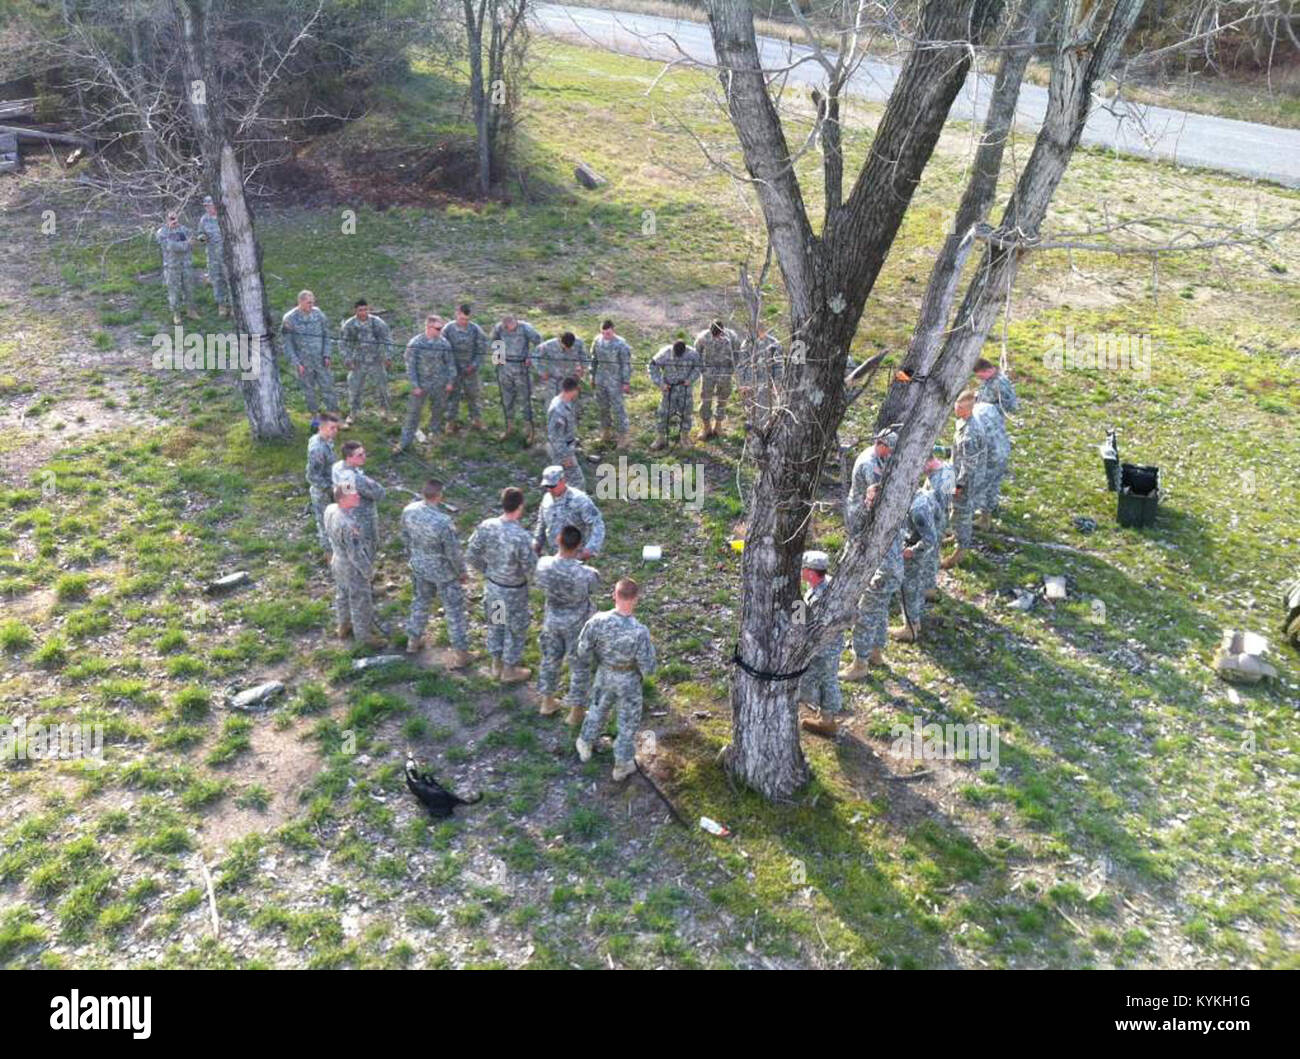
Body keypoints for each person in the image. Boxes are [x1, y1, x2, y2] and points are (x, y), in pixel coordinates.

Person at [569, 578, 656, 782]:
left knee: (598, 708)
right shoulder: (640, 632)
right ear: (635, 599)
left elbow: (582, 650)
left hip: (604, 674)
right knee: (627, 721)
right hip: (629, 680)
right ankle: (622, 765)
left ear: (614, 595)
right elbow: (649, 668)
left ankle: (585, 743)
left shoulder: (597, 621)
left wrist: (597, 662)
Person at [466, 486, 538, 683]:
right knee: (515, 630)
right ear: (520, 507)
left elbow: (472, 554)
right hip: (514, 591)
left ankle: (495, 663)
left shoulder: (486, 526)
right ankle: (509, 669)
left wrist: (487, 570)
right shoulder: (521, 537)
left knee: (497, 623)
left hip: (493, 586)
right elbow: (531, 568)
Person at [400, 478, 470, 667]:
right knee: (454, 611)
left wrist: (414, 556)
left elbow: (405, 537)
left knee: (420, 602)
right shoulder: (443, 522)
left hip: (419, 565)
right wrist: (461, 572)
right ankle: (461, 654)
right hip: (443, 571)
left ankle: (413, 641)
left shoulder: (408, 511)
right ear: (440, 496)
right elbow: (453, 553)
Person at [840, 485, 907, 679]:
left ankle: (860, 663)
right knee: (880, 613)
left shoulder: (881, 525)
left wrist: (873, 582)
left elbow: (885, 558)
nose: (866, 503)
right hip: (893, 575)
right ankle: (876, 653)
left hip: (882, 577)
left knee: (864, 619)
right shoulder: (893, 516)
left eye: (870, 501)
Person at [535, 525, 601, 718]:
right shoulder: (588, 573)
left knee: (550, 659)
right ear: (579, 545)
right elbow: (594, 587)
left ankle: (547, 702)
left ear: (558, 539)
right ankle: (576, 712)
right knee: (580, 665)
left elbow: (539, 582)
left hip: (552, 619)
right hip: (577, 624)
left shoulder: (543, 565)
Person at [324, 483, 384, 648]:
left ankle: (343, 624)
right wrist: (368, 572)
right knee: (360, 601)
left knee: (342, 594)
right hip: (352, 567)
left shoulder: (330, 509)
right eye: (354, 495)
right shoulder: (349, 525)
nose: (358, 497)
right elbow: (356, 554)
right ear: (343, 499)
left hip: (337, 560)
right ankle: (364, 637)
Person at [796, 550, 844, 738]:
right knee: (828, 678)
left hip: (823, 647)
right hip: (830, 642)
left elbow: (802, 621)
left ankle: (827, 721)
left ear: (810, 572)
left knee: (825, 679)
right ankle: (826, 716)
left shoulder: (820, 597)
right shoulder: (826, 584)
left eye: (803, 568)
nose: (801, 571)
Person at [393, 315, 455, 454]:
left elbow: (450, 364)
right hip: (421, 385)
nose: (441, 331)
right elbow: (410, 366)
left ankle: (434, 434)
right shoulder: (416, 343)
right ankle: (405, 441)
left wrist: (450, 381)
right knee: (413, 414)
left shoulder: (444, 343)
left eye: (442, 328)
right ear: (428, 327)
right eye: (438, 328)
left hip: (439, 384)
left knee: (438, 411)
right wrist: (415, 385)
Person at [943, 390, 990, 569]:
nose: (956, 408)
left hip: (967, 480)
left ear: (969, 409)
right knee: (953, 508)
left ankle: (961, 550)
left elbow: (969, 465)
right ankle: (955, 535)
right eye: (956, 404)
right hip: (958, 472)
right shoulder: (963, 422)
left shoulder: (970, 433)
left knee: (961, 514)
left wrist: (959, 485)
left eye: (960, 407)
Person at [282, 290, 337, 416]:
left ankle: (333, 417)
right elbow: (288, 344)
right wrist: (296, 363)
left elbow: (326, 335)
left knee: (328, 387)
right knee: (309, 391)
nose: (311, 305)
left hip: (321, 359)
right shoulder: (289, 318)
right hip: (304, 363)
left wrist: (327, 354)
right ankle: (315, 417)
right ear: (300, 302)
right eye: (308, 303)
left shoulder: (318, 314)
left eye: (313, 302)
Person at [490, 313, 543, 442]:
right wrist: (498, 357)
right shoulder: (499, 328)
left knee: (525, 400)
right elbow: (494, 341)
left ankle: (529, 430)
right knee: (506, 400)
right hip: (505, 368)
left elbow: (539, 343)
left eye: (510, 327)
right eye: (506, 327)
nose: (508, 329)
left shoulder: (526, 328)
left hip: (521, 369)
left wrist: (531, 357)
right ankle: (509, 427)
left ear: (515, 322)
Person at [340, 298, 393, 425]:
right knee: (354, 388)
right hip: (358, 361)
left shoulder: (377, 323)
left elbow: (387, 339)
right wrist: (347, 359)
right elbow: (343, 343)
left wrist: (388, 356)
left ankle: (386, 411)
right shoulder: (350, 325)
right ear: (355, 310)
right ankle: (354, 412)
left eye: (365, 310)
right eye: (360, 310)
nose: (363, 312)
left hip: (376, 359)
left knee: (383, 387)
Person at [534, 465, 605, 558]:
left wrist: (590, 549)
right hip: (553, 558)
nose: (550, 489)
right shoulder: (546, 499)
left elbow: (597, 524)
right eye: (547, 486)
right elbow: (541, 524)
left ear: (563, 480)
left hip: (575, 557)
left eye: (553, 486)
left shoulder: (579, 499)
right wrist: (536, 544)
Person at [647, 339, 702, 451]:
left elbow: (699, 366)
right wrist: (660, 383)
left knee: (686, 413)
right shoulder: (665, 353)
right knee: (663, 413)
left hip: (685, 389)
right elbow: (652, 366)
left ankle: (684, 438)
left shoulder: (693, 354)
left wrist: (690, 379)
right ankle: (660, 438)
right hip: (669, 389)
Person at [441, 303, 488, 433]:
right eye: (462, 319)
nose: (464, 322)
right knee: (452, 396)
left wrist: (474, 365)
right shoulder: (448, 329)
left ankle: (477, 420)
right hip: (453, 370)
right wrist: (448, 367)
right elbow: (443, 349)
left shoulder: (475, 329)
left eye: (467, 319)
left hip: (470, 370)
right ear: (457, 315)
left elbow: (482, 349)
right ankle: (450, 422)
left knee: (473, 395)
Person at [332, 439, 385, 551]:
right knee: (367, 546)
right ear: (349, 457)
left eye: (364, 453)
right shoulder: (356, 479)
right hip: (363, 516)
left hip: (346, 512)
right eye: (359, 455)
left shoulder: (337, 467)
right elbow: (379, 494)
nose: (364, 457)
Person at [694, 319, 740, 440]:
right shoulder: (703, 337)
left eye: (718, 334)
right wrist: (702, 370)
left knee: (723, 400)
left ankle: (718, 426)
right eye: (714, 335)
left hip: (725, 372)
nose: (716, 337)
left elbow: (737, 353)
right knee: (706, 399)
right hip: (708, 372)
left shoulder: (732, 337)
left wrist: (732, 370)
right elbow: (696, 354)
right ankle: (706, 427)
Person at [589, 319, 632, 447]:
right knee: (603, 407)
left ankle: (622, 437)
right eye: (603, 333)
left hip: (615, 380)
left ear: (613, 330)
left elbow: (626, 364)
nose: (605, 335)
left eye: (608, 333)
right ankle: (606, 432)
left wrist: (626, 381)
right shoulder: (597, 341)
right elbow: (594, 359)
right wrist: (592, 376)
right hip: (601, 379)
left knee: (618, 409)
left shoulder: (621, 344)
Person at [846, 427, 897, 535]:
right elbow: (877, 491)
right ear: (882, 445)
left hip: (866, 509)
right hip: (860, 512)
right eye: (890, 449)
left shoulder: (878, 454)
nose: (890, 453)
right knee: (857, 544)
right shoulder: (869, 464)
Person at [306, 412, 341, 561]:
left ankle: (339, 549)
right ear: (321, 428)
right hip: (322, 492)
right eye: (332, 428)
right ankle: (329, 555)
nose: (335, 431)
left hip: (332, 485)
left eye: (336, 428)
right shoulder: (317, 448)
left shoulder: (327, 441)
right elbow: (312, 476)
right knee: (325, 523)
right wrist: (330, 489)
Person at [972, 399, 1011, 529]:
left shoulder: (972, 417)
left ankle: (959, 531)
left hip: (989, 456)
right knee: (993, 486)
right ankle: (985, 519)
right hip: (1003, 450)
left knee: (973, 490)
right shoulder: (989, 408)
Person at [155, 211, 198, 325]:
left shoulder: (184, 229)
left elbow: (193, 239)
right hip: (172, 267)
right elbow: (171, 246)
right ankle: (176, 314)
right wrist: (186, 244)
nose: (174, 221)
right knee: (174, 291)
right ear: (166, 219)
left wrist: (189, 243)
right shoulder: (162, 233)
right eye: (171, 218)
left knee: (189, 289)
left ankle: (191, 311)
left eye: (175, 218)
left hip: (186, 265)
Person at [536, 331, 587, 420]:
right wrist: (542, 371)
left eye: (570, 348)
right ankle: (552, 426)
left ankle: (570, 426)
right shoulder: (549, 345)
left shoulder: (579, 343)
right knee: (552, 405)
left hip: (570, 380)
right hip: (554, 381)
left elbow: (584, 357)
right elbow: (535, 356)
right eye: (565, 347)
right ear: (560, 341)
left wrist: (582, 369)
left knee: (571, 405)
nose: (568, 349)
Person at [547, 377, 584, 489]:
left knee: (561, 482)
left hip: (565, 447)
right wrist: (565, 457)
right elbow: (556, 436)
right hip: (561, 451)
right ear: (574, 390)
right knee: (578, 481)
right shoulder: (558, 410)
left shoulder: (564, 402)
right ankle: (577, 504)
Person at [195, 196, 228, 317]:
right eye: (205, 206)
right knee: (216, 279)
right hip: (213, 256)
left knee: (230, 279)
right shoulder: (204, 219)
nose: (207, 208)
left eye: (209, 205)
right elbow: (200, 233)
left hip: (227, 256)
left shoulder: (225, 217)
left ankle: (235, 306)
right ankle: (222, 304)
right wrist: (201, 237)